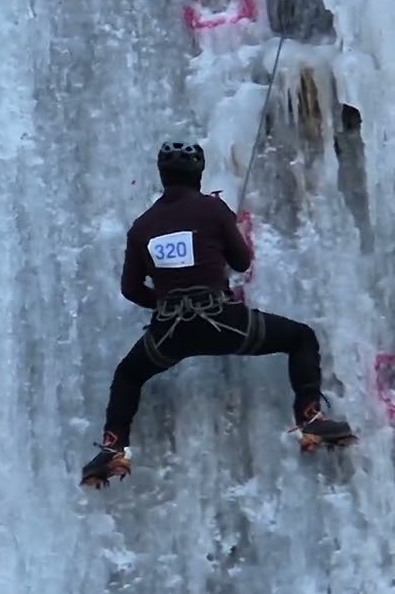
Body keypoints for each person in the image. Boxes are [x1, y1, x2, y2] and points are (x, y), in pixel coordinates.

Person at [81, 141, 356, 489]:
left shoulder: (142, 227)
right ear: (198, 174)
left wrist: (167, 302)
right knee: (300, 337)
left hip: (170, 332)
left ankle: (113, 447)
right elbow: (242, 261)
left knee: (128, 375)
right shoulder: (212, 209)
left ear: (162, 176)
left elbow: (131, 289)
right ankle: (310, 417)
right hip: (223, 321)